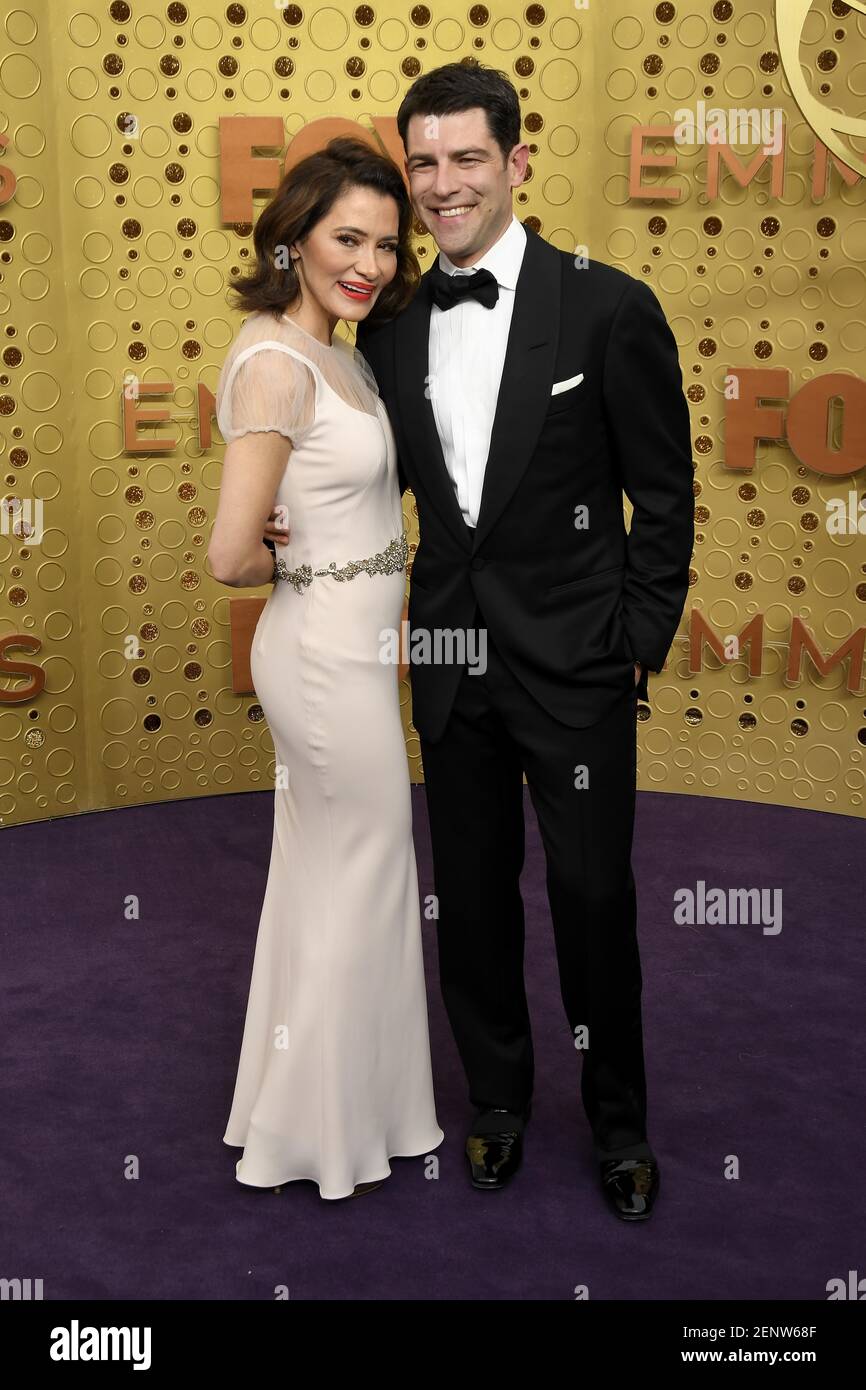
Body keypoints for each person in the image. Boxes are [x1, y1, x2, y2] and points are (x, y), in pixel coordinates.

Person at [268, 63, 694, 1220]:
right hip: (449, 664)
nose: (443, 184)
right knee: (469, 895)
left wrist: (634, 641)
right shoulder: (389, 325)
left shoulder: (607, 307)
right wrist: (278, 516)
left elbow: (663, 492)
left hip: (576, 668)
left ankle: (617, 1121)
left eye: (466, 158)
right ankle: (496, 1104)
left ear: (514, 162)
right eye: (423, 163)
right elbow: (352, 466)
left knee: (593, 896)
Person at [209, 137, 444, 1201]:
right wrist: (302, 556)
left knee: (331, 873)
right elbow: (228, 555)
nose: (369, 262)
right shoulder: (275, 361)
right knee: (366, 866)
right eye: (346, 237)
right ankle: (327, 1131)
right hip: (314, 655)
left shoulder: (342, 350)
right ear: (292, 236)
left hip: (351, 650)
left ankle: (306, 1107)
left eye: (387, 244)